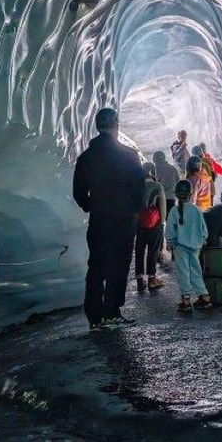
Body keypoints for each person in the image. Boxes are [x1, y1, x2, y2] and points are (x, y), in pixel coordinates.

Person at [72, 108, 146, 329]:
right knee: (119, 265)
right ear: (116, 126)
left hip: (99, 219)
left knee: (96, 265)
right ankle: (111, 312)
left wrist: (91, 206)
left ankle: (94, 317)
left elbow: (78, 192)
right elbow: (139, 190)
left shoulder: (86, 157)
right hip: (123, 219)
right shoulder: (129, 155)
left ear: (97, 126)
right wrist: (133, 210)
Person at [166, 179, 213, 312]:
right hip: (195, 247)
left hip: (179, 246)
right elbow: (204, 231)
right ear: (190, 194)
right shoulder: (197, 210)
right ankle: (204, 296)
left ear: (176, 194)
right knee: (196, 271)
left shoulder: (174, 211)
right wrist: (202, 241)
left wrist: (170, 243)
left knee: (183, 272)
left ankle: (186, 300)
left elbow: (169, 230)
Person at [135, 162, 166, 292]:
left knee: (139, 250)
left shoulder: (136, 186)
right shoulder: (157, 186)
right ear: (153, 172)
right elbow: (162, 207)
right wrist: (162, 222)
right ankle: (152, 279)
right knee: (153, 251)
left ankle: (139, 280)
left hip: (139, 223)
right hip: (155, 224)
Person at [152, 151, 181, 215]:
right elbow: (178, 182)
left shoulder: (155, 170)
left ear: (155, 160)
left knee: (159, 218)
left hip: (159, 198)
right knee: (170, 217)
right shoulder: (173, 168)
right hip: (171, 198)